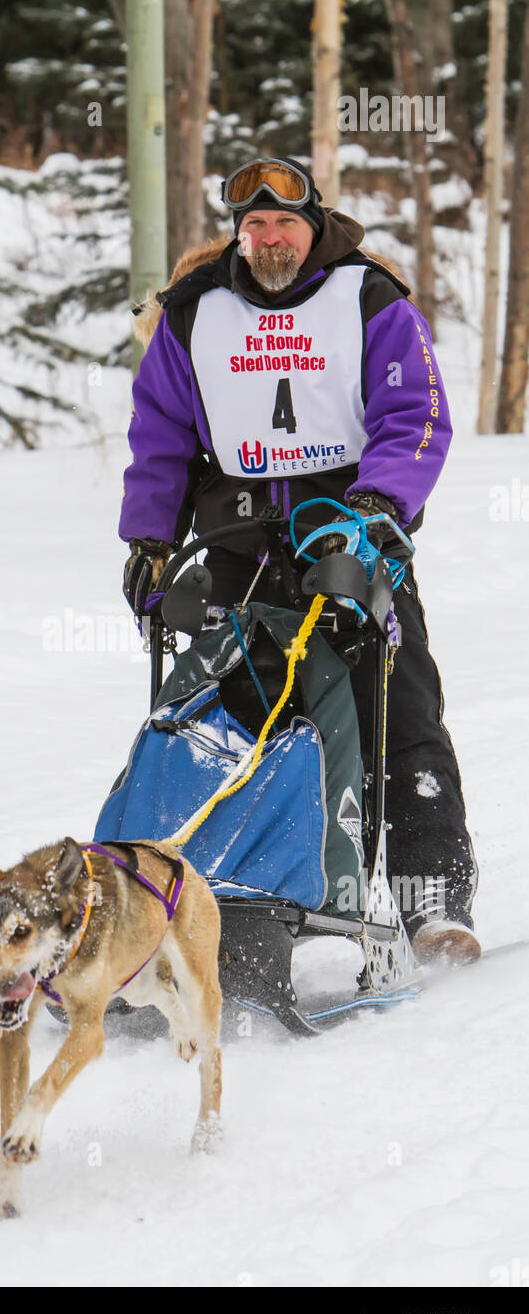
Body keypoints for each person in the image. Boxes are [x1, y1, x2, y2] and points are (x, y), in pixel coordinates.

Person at [119, 157, 480, 965]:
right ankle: (215, 905)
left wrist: (381, 507)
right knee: (228, 726)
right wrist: (148, 541)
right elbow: (160, 438)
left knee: (398, 710)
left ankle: (432, 898)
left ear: (313, 223)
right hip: (236, 546)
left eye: (283, 221)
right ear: (238, 233)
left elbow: (415, 412)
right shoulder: (194, 313)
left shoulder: (369, 299)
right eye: (254, 225)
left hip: (345, 536)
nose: (269, 236)